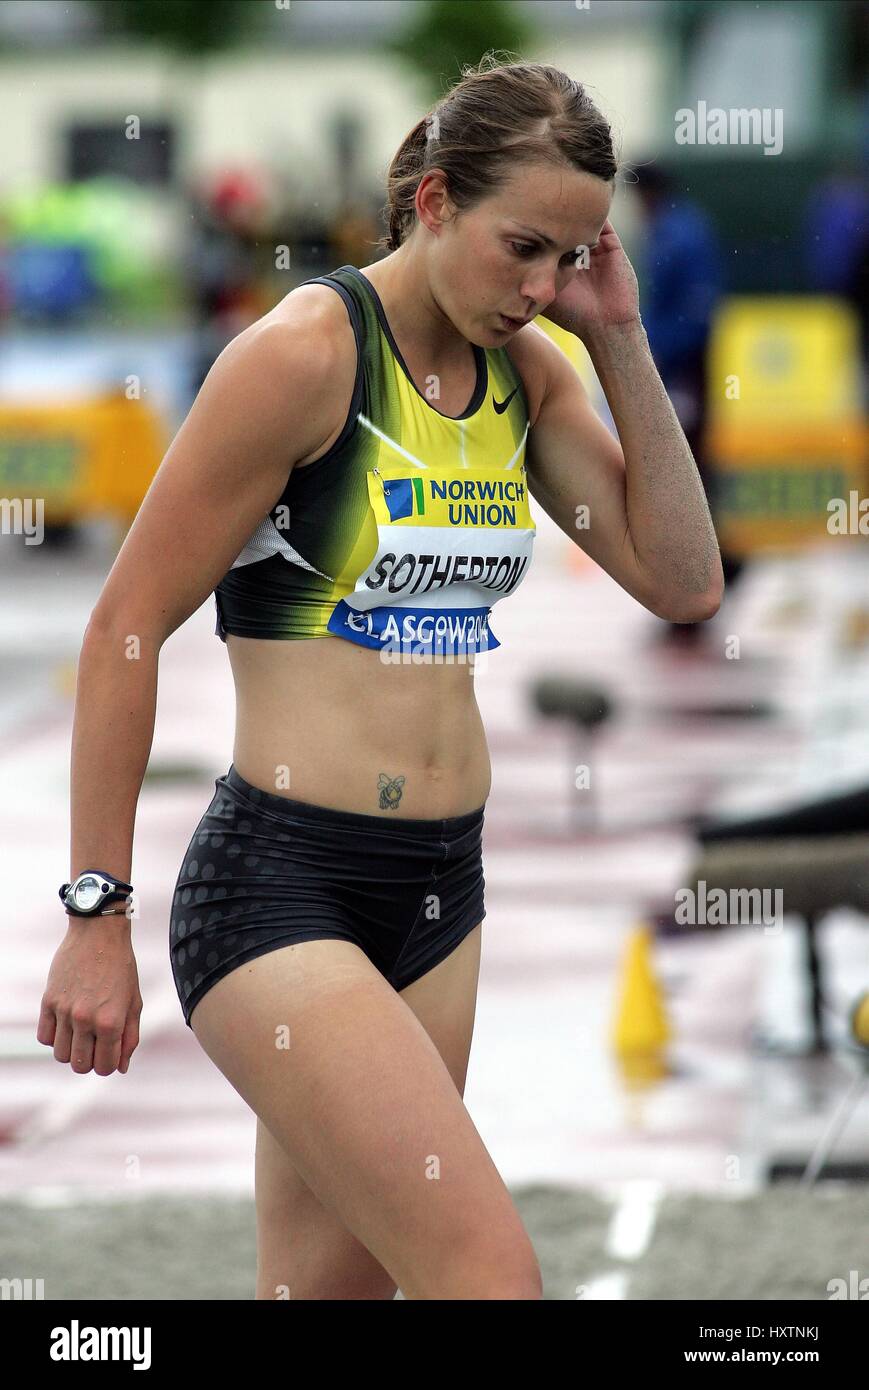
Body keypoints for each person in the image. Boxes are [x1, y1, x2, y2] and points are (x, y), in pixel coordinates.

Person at [39, 55, 723, 1300]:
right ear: (432, 201)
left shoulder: (528, 369)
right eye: (519, 247)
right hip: (279, 889)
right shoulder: (304, 354)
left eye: (566, 260)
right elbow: (124, 625)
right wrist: (96, 911)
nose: (537, 288)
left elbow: (680, 582)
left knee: (331, 1297)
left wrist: (616, 334)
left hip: (435, 893)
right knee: (485, 1274)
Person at [634, 162, 739, 645]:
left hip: (685, 369)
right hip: (681, 366)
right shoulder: (676, 229)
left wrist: (654, 355)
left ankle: (713, 567)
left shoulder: (679, 236)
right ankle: (710, 568)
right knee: (689, 465)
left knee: (687, 467)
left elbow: (695, 312)